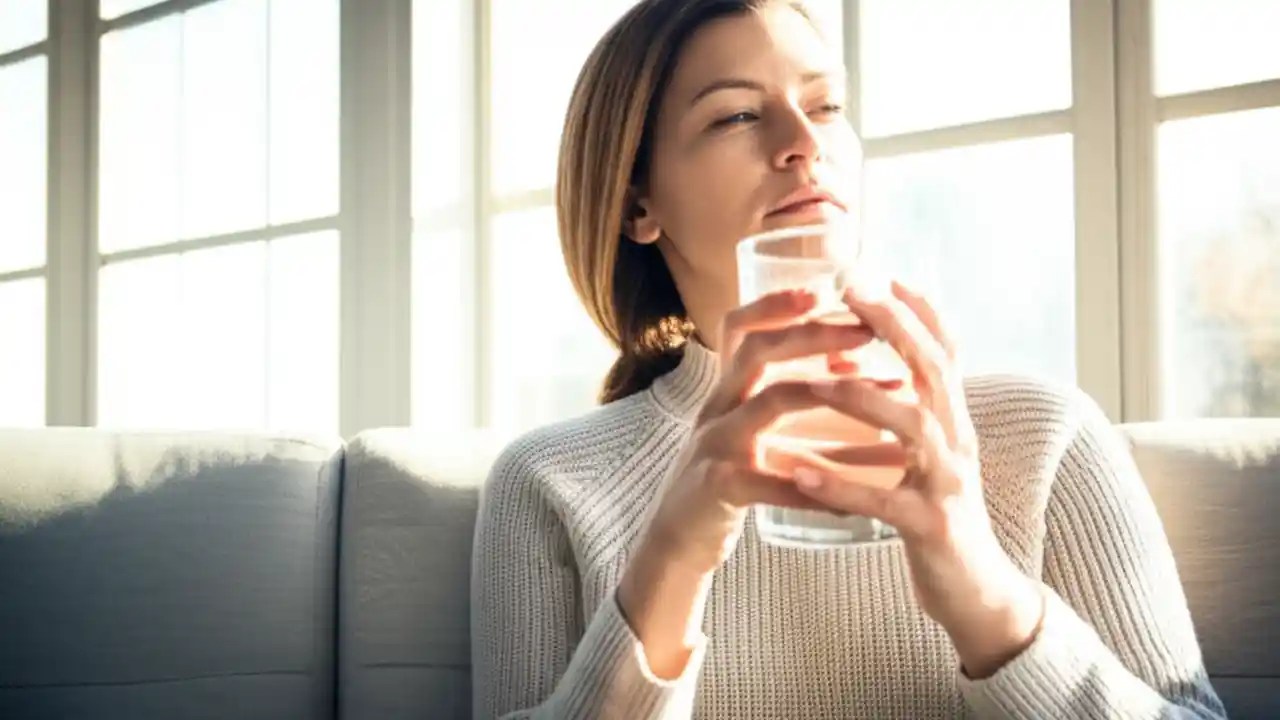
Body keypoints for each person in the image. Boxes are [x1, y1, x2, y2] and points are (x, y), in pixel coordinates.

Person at [469, 1, 1226, 717]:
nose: (805, 140)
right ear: (637, 205)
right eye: (736, 115)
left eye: (827, 105)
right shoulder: (549, 480)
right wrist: (671, 557)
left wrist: (988, 596)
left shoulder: (1045, 435)